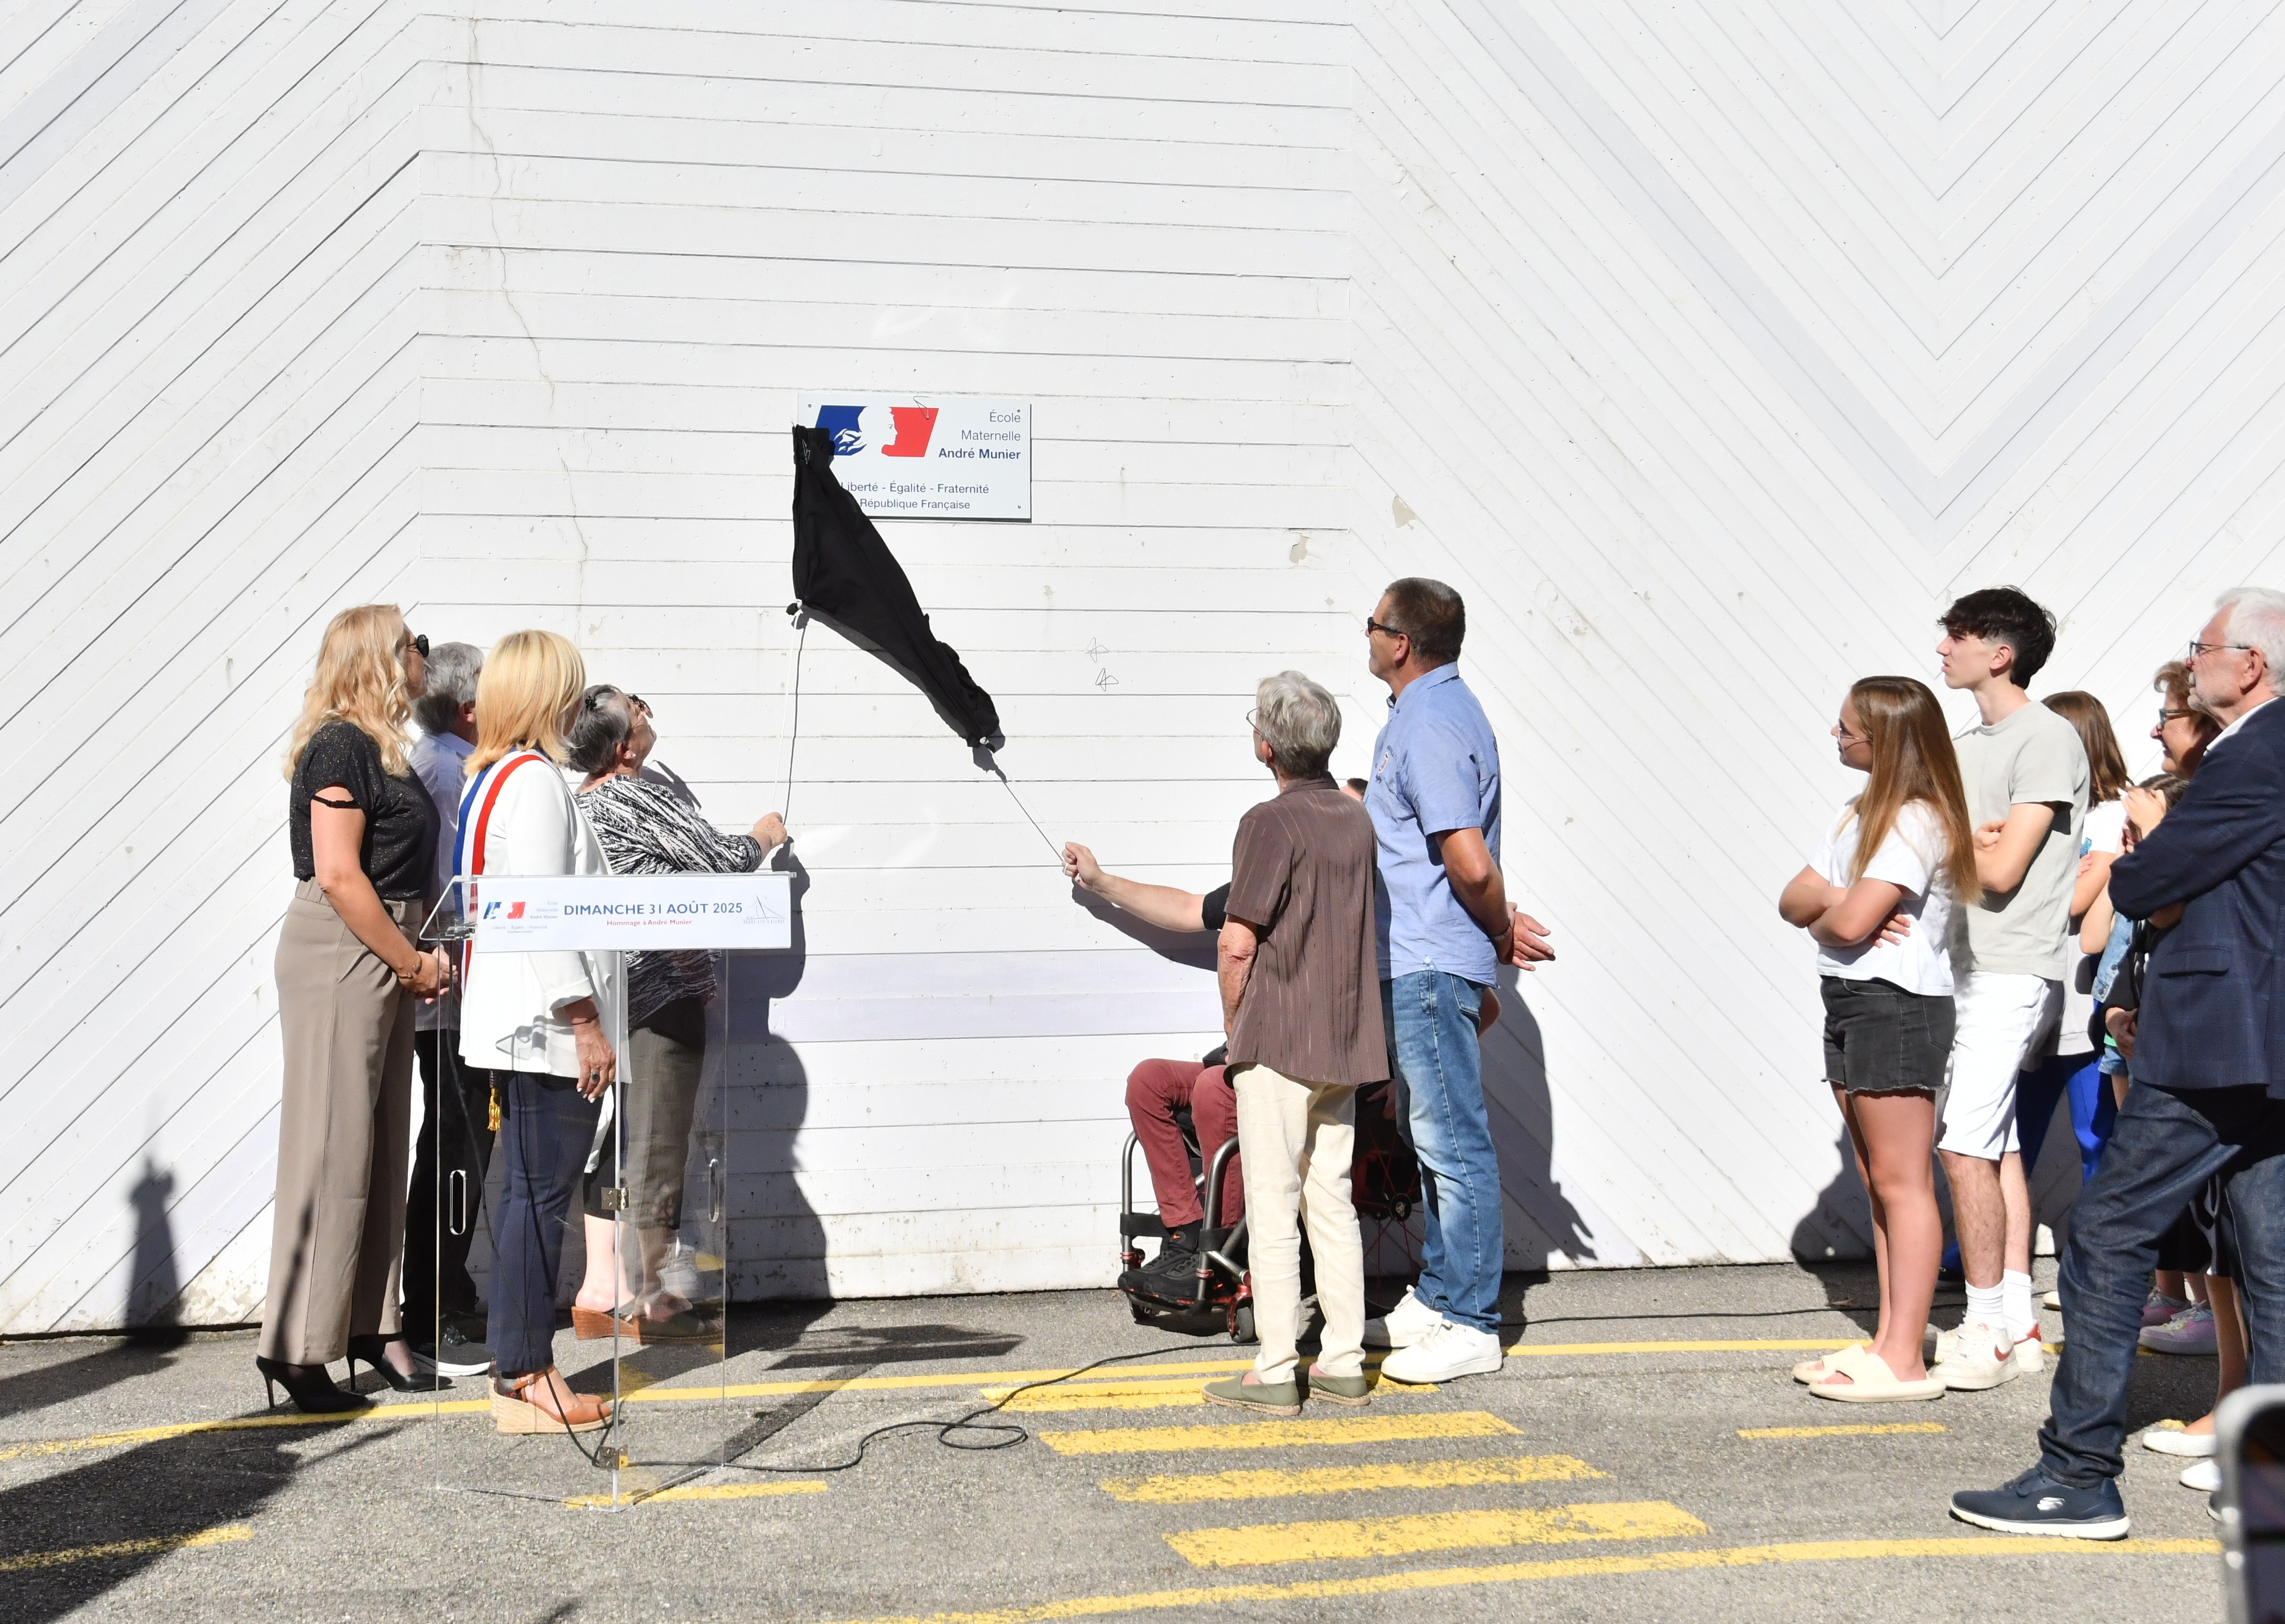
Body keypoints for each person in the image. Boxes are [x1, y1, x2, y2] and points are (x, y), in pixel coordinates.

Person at [1951, 586, 2285, 1538]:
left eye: (2203, 647)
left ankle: (2076, 1474)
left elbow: (2147, 880)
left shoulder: (2247, 755)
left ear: (2246, 666)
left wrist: (2141, 844)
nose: (2194, 661)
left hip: (2220, 1041)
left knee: (2101, 1234)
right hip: (2255, 1042)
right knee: (2266, 1252)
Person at [1357, 577, 1555, 1386]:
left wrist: (1501, 924)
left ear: (1400, 642)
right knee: (1431, 1137)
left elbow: (1466, 857)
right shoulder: (1426, 714)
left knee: (1452, 1141)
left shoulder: (1432, 721)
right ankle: (1439, 1296)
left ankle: (1471, 1320)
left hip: (1432, 957)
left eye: (1372, 625)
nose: (1365, 635)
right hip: (1425, 957)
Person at [257, 606, 447, 1413]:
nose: (423, 655)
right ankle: (298, 1347)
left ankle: (371, 1322)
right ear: (379, 657)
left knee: (376, 1149)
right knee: (329, 1152)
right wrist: (406, 959)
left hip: (384, 946)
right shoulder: (340, 743)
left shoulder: (380, 749)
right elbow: (338, 873)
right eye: (412, 644)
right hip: (346, 948)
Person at [565, 685, 787, 1340]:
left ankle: (601, 1285)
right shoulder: (635, 795)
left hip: (616, 992)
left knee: (621, 1145)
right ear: (623, 747)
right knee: (657, 1146)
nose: (647, 707)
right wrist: (763, 836)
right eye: (634, 707)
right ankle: (647, 1293)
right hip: (662, 992)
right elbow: (721, 860)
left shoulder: (582, 802)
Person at [1779, 678, 1979, 1401]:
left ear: (1884, 738)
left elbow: (1850, 926)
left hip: (1896, 1003)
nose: (1838, 737)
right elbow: (1795, 901)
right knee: (1877, 1181)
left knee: (1902, 1180)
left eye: (1847, 729)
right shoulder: (1860, 811)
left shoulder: (1915, 819)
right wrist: (1839, 899)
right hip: (1854, 996)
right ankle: (1890, 1338)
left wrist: (1837, 908)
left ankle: (1904, 1358)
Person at [1200, 672, 1385, 1415]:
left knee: (1274, 1209)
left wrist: (1234, 1026)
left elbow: (1237, 942)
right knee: (1331, 1203)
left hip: (1278, 1039)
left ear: (1267, 744)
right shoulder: (1355, 819)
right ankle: (1342, 1360)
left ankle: (1277, 1369)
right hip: (1344, 1038)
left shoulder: (1267, 823)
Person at [456, 631, 617, 1436]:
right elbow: (544, 910)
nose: (578, 702)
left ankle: (518, 1368)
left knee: (527, 1196)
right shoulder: (537, 784)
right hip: (547, 1022)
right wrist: (585, 1020)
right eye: (573, 688)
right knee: (540, 1198)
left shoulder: (488, 779)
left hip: (515, 1019)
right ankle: (527, 1371)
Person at [1927, 587, 2089, 1392]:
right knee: (1998, 1146)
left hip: (2013, 968)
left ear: (2001, 651)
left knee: (1962, 1145)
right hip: (1964, 965)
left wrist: (1961, 841)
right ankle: (2019, 1319)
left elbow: (1998, 870)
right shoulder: (1963, 745)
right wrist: (1965, 839)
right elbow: (1957, 851)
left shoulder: (2047, 738)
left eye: (1956, 634)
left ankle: (1983, 1328)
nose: (1942, 646)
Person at [399, 639, 496, 1379]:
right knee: (455, 1151)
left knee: (458, 1146)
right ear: (469, 706)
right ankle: (433, 1312)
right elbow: (452, 883)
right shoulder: (446, 770)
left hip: (453, 990)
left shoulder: (440, 762)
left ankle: (448, 1293)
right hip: (449, 995)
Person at [2010, 693, 2131, 1203]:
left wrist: (2030, 878)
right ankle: (1969, 1254)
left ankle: (2096, 1262)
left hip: (2081, 993)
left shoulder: (2111, 814)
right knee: (2015, 1131)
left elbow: (2077, 901)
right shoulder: (2044, 811)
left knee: (2094, 1132)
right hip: (2032, 983)